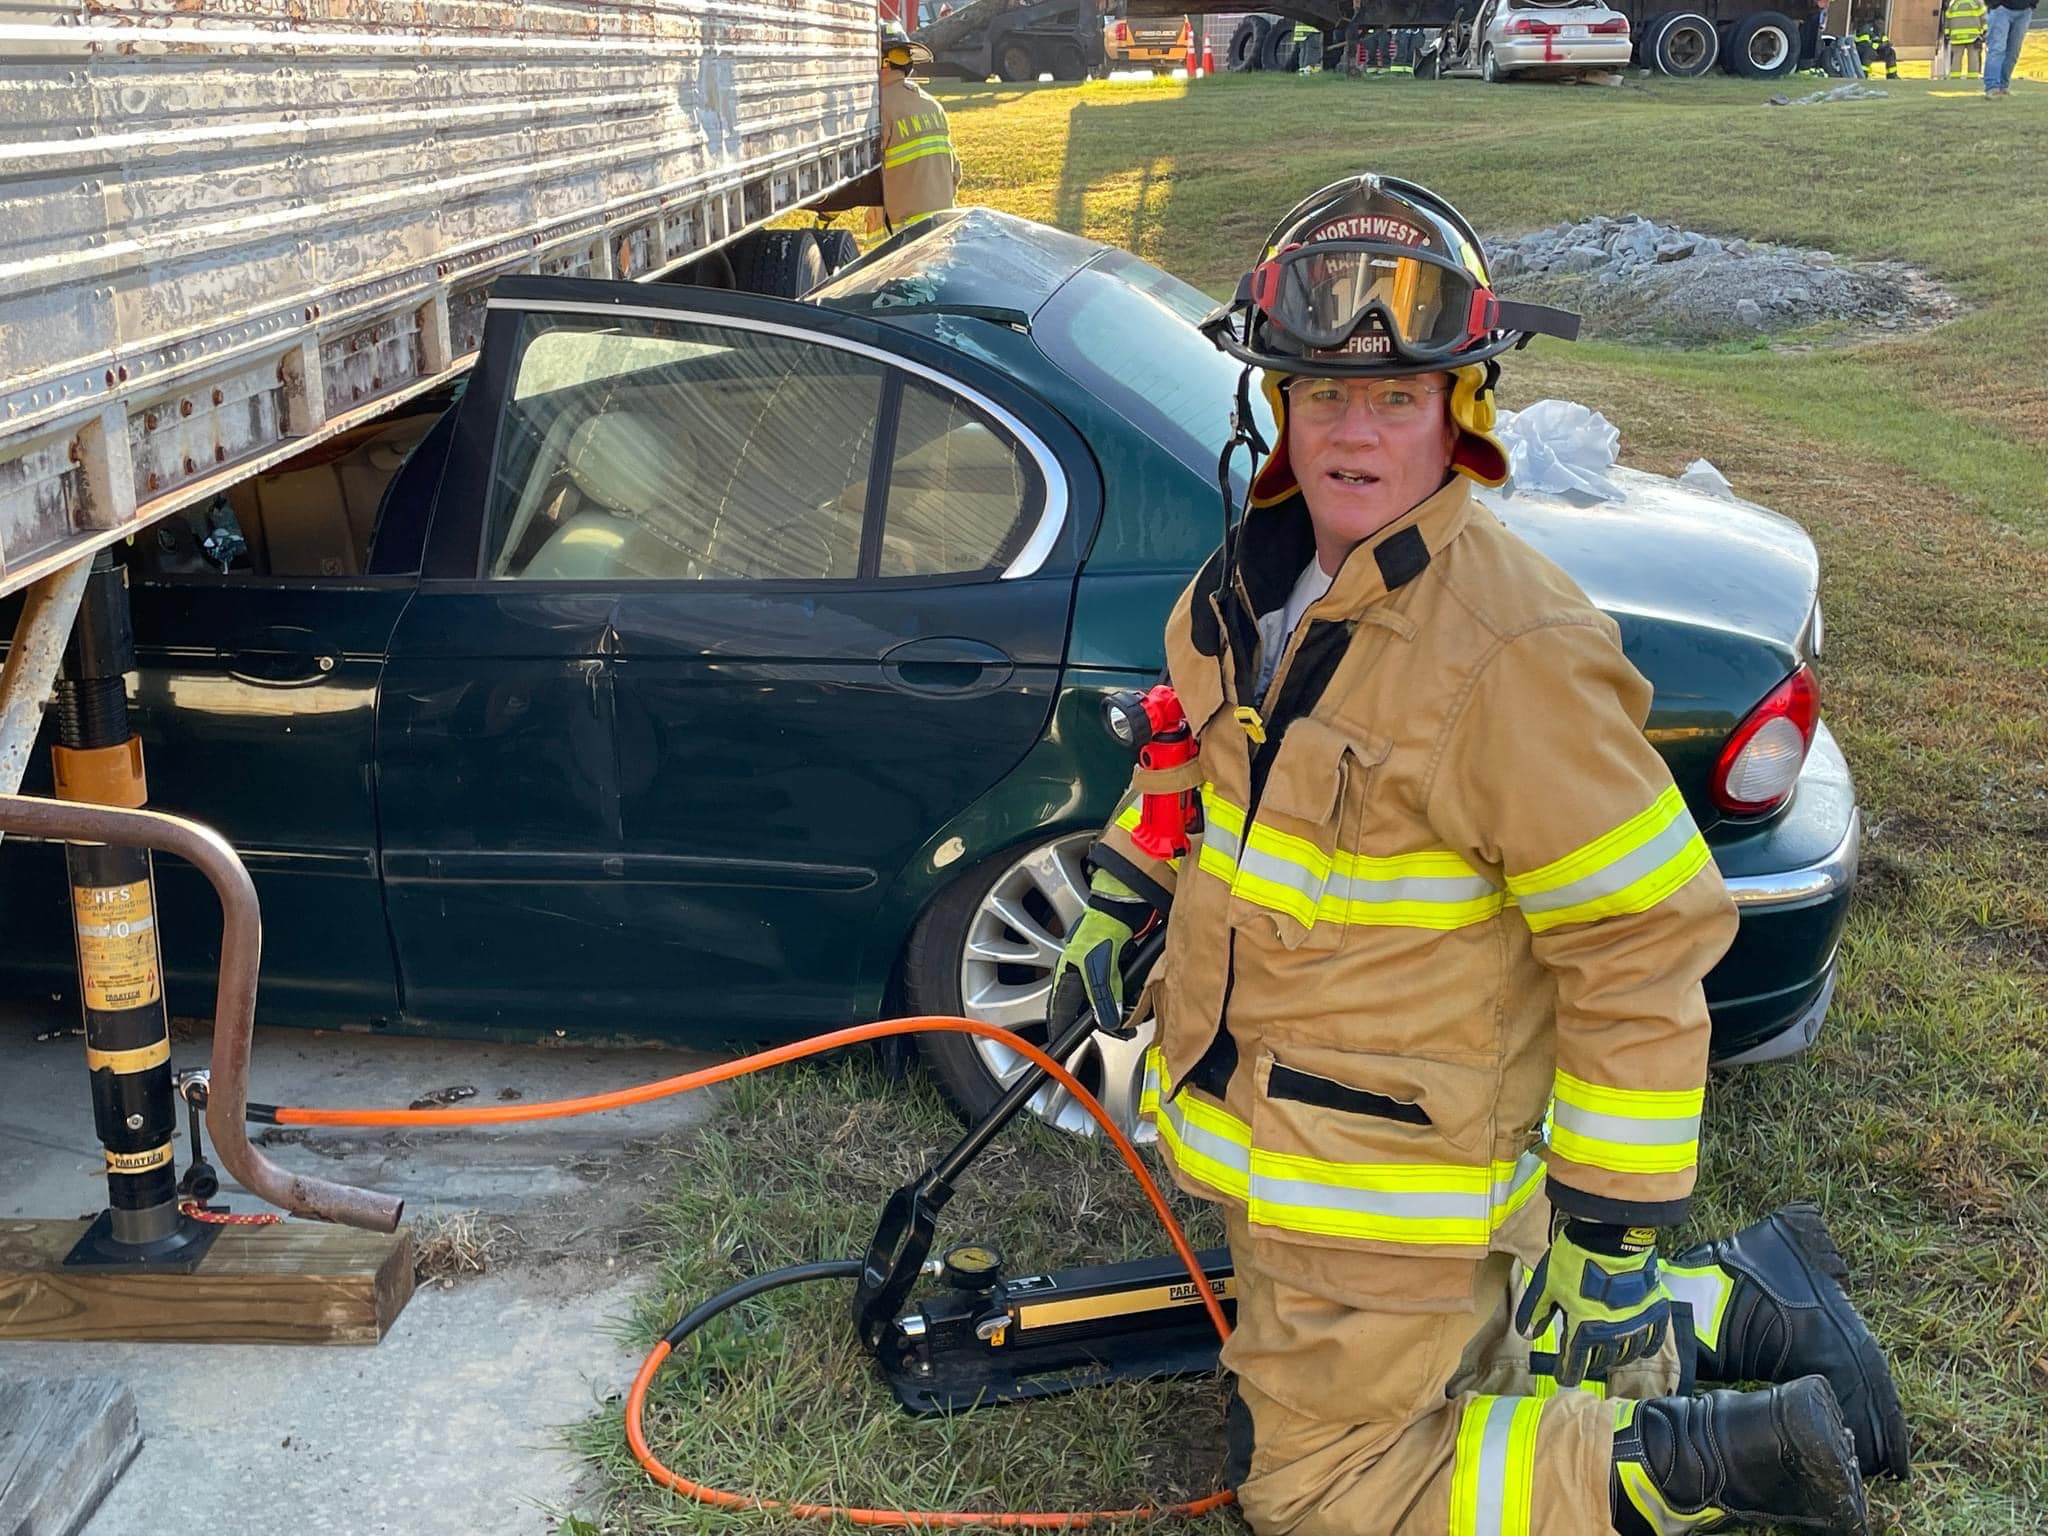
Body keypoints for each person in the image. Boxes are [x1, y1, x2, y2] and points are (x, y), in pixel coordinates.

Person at [1051, 174, 1910, 1536]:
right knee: (1421, 1366)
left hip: (1392, 1187)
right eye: (1323, 395)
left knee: (1320, 1491)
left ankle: (1721, 1460)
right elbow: (1192, 768)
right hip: (1282, 1136)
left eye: (1398, 399)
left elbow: (1638, 938)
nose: (1353, 432)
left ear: (1464, 411)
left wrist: (1614, 1232)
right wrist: (1121, 889)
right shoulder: (1250, 587)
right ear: (1273, 406)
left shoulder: (1515, 650)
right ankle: (1751, 1302)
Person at [873, 23, 961, 236]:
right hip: (944, 225)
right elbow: (955, 171)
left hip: (901, 233)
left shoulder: (878, 109)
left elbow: (862, 178)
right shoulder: (932, 105)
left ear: (881, 62)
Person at [1983, 0, 2035, 93]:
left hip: (2025, 11)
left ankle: (2003, 86)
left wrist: (2031, 4)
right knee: (1997, 49)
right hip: (2000, 9)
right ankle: (1992, 87)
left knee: (2013, 52)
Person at [1935, 0, 1988, 77]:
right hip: (1973, 35)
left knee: (1956, 57)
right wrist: (1984, 31)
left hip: (1956, 36)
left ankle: (1955, 76)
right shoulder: (1977, 3)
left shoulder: (1953, 3)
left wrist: (1947, 33)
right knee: (1973, 56)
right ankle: (1972, 76)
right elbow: (1983, 19)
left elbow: (1948, 20)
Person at [1852, 7, 1900, 75]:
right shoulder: (1866, 29)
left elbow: (1885, 41)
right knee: (1869, 52)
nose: (1881, 26)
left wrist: (1887, 45)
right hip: (1863, 51)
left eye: (1882, 24)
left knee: (1891, 52)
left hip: (1876, 50)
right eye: (1879, 23)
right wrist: (1879, 46)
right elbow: (1864, 44)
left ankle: (1892, 75)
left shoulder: (1880, 31)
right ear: (1874, 22)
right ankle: (1863, 74)